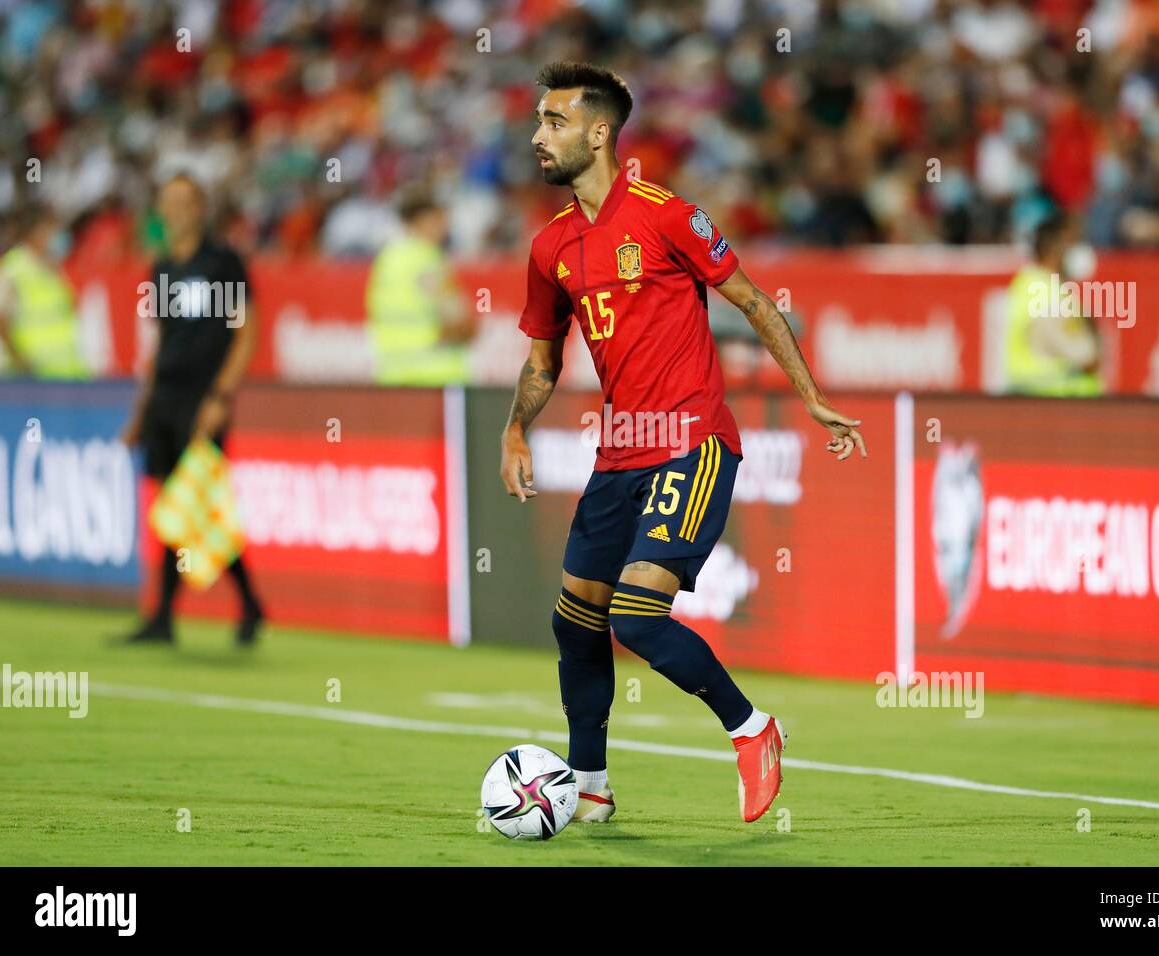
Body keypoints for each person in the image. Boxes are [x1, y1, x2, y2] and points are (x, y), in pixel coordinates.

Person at [500, 62, 866, 824]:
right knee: (575, 620)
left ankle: (753, 728)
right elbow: (543, 360)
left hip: (691, 443)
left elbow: (755, 301)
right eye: (538, 120)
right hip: (618, 454)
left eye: (554, 122)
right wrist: (514, 429)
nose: (538, 135)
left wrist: (810, 396)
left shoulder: (666, 215)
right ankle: (590, 784)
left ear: (600, 134)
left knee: (635, 616)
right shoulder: (549, 248)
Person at [119, 173, 265, 645]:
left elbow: (245, 329)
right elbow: (161, 342)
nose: (177, 209)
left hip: (203, 399)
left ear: (201, 206)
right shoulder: (161, 268)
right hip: (165, 398)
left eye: (185, 200)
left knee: (197, 505)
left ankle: (226, 606)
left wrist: (221, 396)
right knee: (176, 504)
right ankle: (175, 614)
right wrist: (141, 412)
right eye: (169, 201)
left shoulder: (221, 262)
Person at [365, 188, 473, 386]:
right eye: (441, 218)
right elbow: (458, 321)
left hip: (392, 375)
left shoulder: (386, 259)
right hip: (434, 375)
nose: (446, 226)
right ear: (427, 219)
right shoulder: (428, 260)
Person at [1004, 213, 1103, 396]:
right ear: (1056, 249)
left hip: (1027, 394)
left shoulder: (1024, 283)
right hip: (1058, 400)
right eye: (1073, 243)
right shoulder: (1053, 295)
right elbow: (1087, 358)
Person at [0, 207, 87, 379]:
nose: (57, 234)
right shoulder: (13, 269)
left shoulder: (55, 268)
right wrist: (20, 360)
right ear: (35, 232)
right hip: (33, 379)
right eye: (52, 228)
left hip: (66, 373)